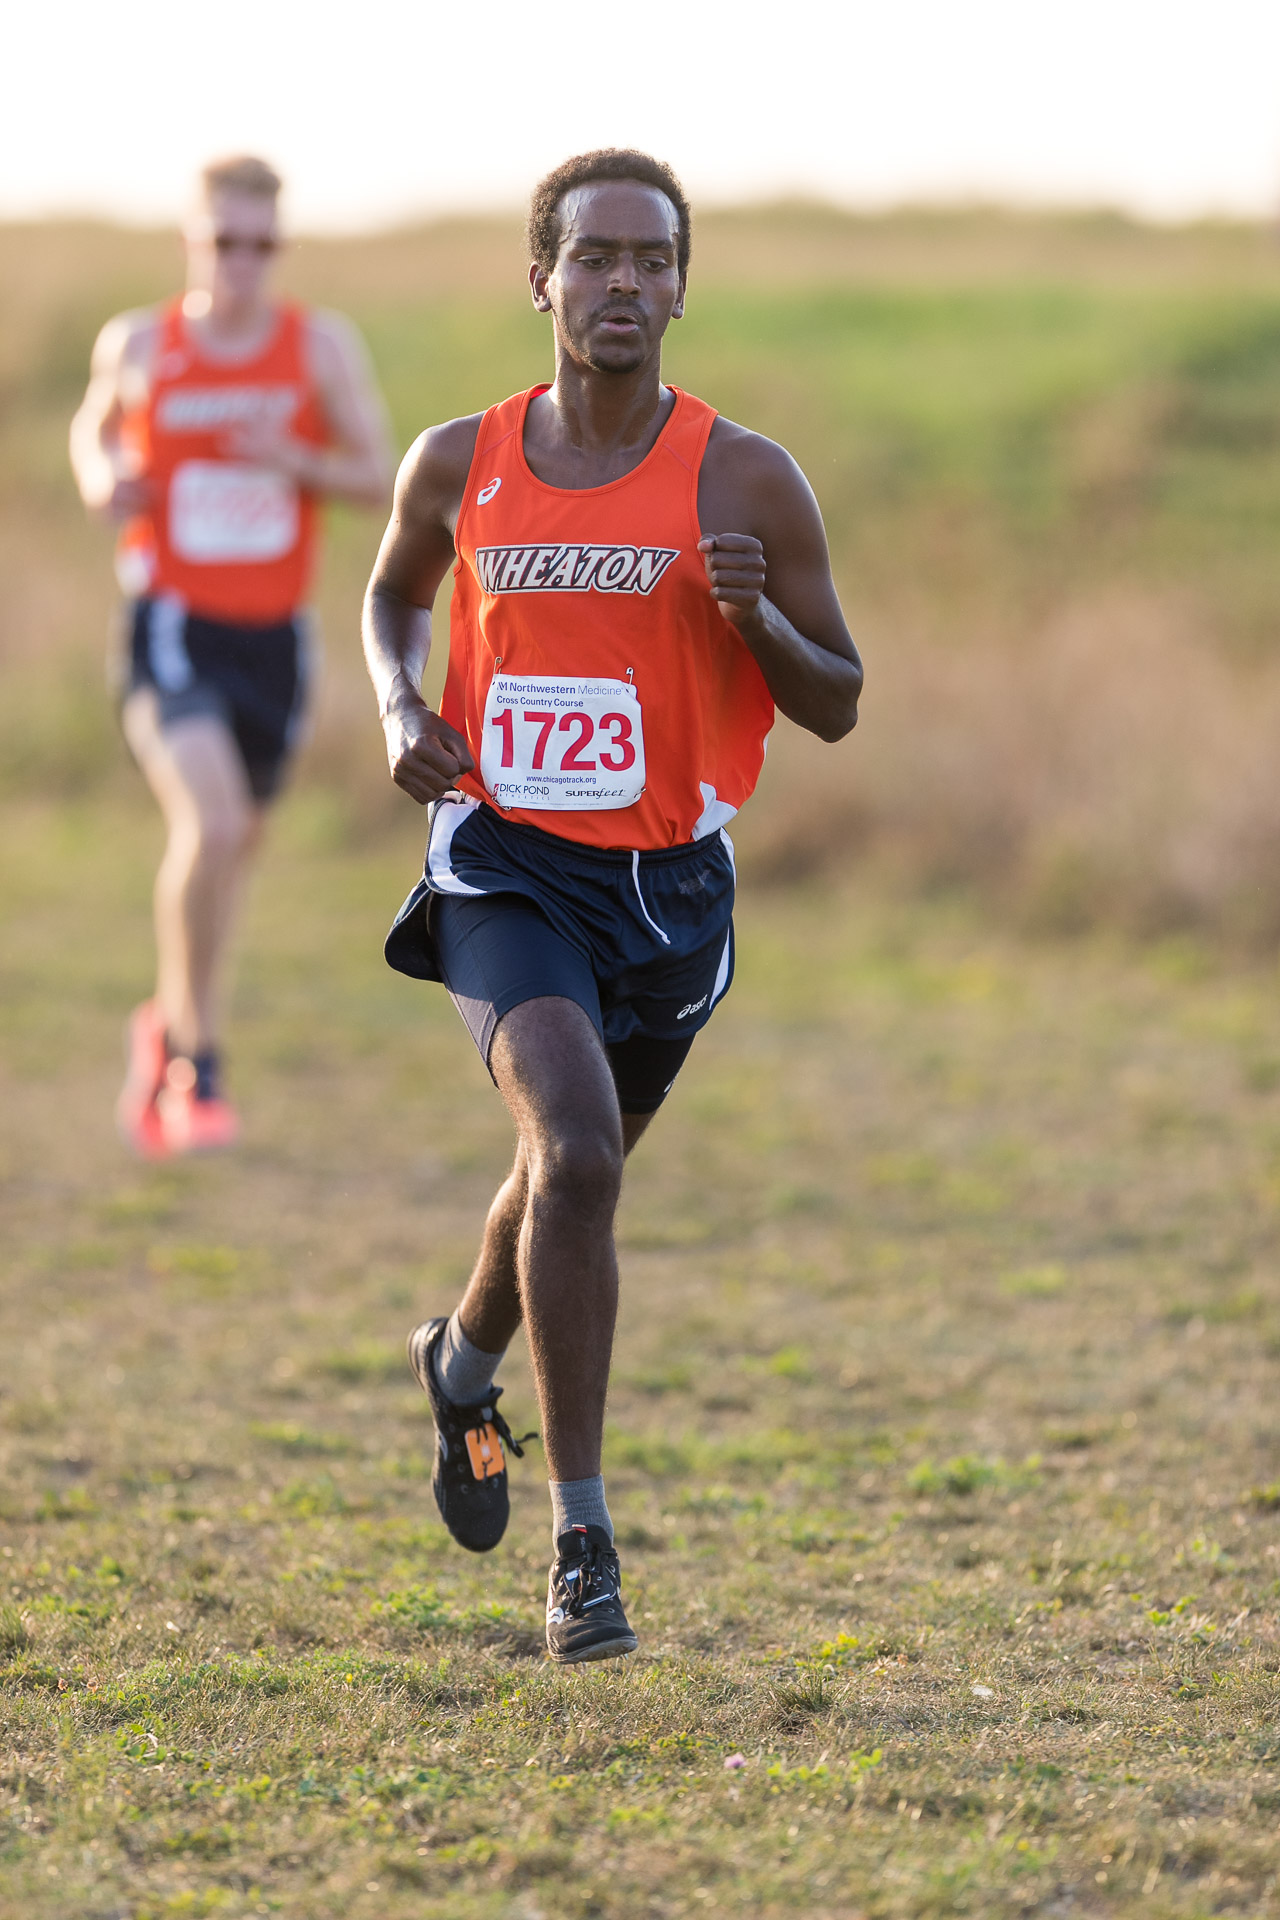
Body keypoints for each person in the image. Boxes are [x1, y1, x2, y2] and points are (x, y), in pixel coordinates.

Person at [363, 149, 862, 1663]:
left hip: (669, 892)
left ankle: (458, 1362)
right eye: (597, 259)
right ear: (543, 278)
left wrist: (755, 613)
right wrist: (398, 706)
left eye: (655, 262)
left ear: (683, 286)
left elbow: (837, 700)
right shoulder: (463, 458)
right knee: (576, 1154)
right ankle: (584, 1541)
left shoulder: (745, 476)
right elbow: (393, 595)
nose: (626, 286)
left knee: (558, 1177)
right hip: (505, 863)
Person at [71, 155, 393, 1158]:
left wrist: (290, 460)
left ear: (279, 248)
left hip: (275, 641)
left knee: (233, 850)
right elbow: (91, 430)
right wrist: (102, 476)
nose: (243, 260)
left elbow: (379, 473)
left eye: (262, 243)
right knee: (207, 824)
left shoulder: (318, 348)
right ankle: (197, 1064)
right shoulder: (138, 342)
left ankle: (165, 1027)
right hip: (172, 623)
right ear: (192, 241)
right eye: (224, 241)